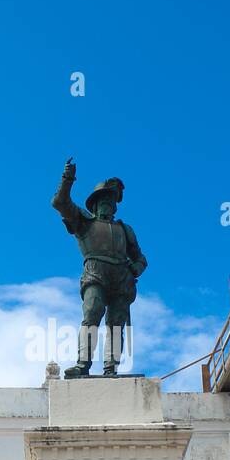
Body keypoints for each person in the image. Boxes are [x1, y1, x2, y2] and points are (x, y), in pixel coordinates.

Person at [51, 158, 147, 377]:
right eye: (104, 199)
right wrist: (67, 179)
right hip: (95, 273)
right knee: (92, 313)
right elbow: (59, 203)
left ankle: (110, 368)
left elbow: (141, 258)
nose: (108, 203)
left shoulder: (125, 229)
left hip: (122, 278)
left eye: (111, 200)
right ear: (95, 203)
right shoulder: (84, 222)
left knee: (115, 325)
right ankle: (82, 364)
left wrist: (134, 269)